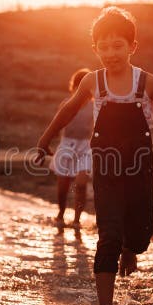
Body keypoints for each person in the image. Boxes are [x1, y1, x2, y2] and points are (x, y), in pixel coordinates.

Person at [35, 6, 153, 305]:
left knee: (140, 235)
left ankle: (131, 251)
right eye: (103, 46)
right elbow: (67, 110)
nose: (110, 53)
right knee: (109, 236)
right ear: (95, 49)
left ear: (132, 47)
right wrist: (45, 140)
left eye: (118, 45)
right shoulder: (93, 82)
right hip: (105, 167)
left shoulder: (147, 83)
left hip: (140, 166)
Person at [49, 68, 93, 229]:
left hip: (85, 147)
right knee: (63, 185)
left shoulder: (95, 106)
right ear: (73, 87)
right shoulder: (66, 103)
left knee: (81, 184)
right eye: (78, 87)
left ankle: (76, 219)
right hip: (67, 145)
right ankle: (60, 213)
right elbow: (58, 123)